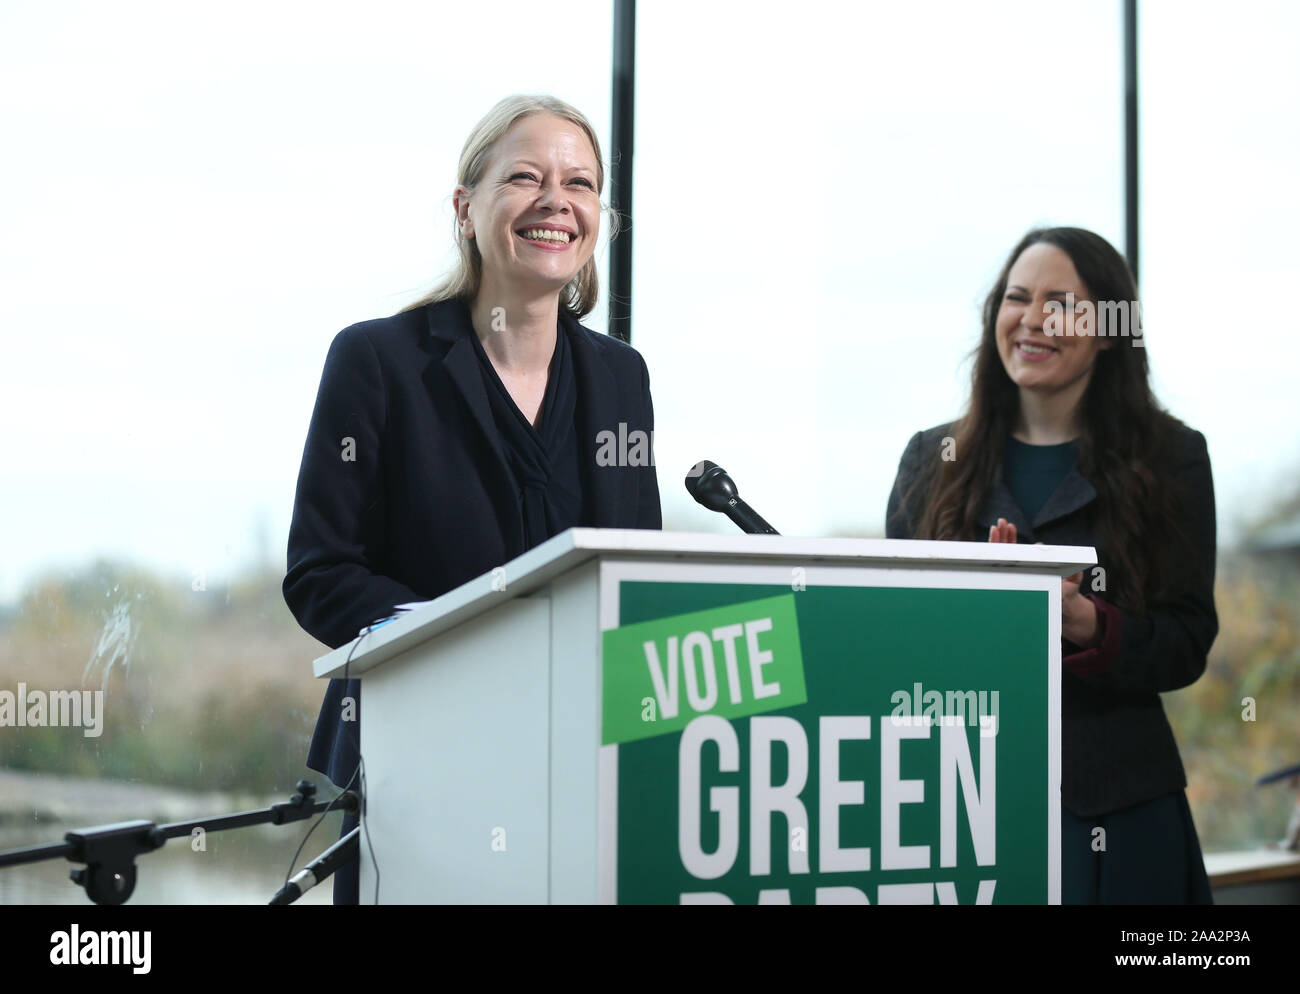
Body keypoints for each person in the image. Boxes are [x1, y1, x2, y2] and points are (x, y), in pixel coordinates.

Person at [282, 95, 662, 903]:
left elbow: (637, 585)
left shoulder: (622, 377)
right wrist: (478, 650)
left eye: (581, 183)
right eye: (524, 177)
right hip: (419, 770)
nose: (555, 200)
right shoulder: (375, 360)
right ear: (465, 208)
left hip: (583, 767)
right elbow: (321, 574)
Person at [885, 226, 1217, 904]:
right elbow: (890, 633)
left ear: (1108, 330)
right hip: (960, 804)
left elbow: (1186, 641)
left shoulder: (1172, 458)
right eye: (1016, 297)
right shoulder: (930, 460)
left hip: (1120, 810)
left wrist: (1088, 624)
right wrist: (978, 613)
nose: (1033, 320)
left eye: (1061, 302)